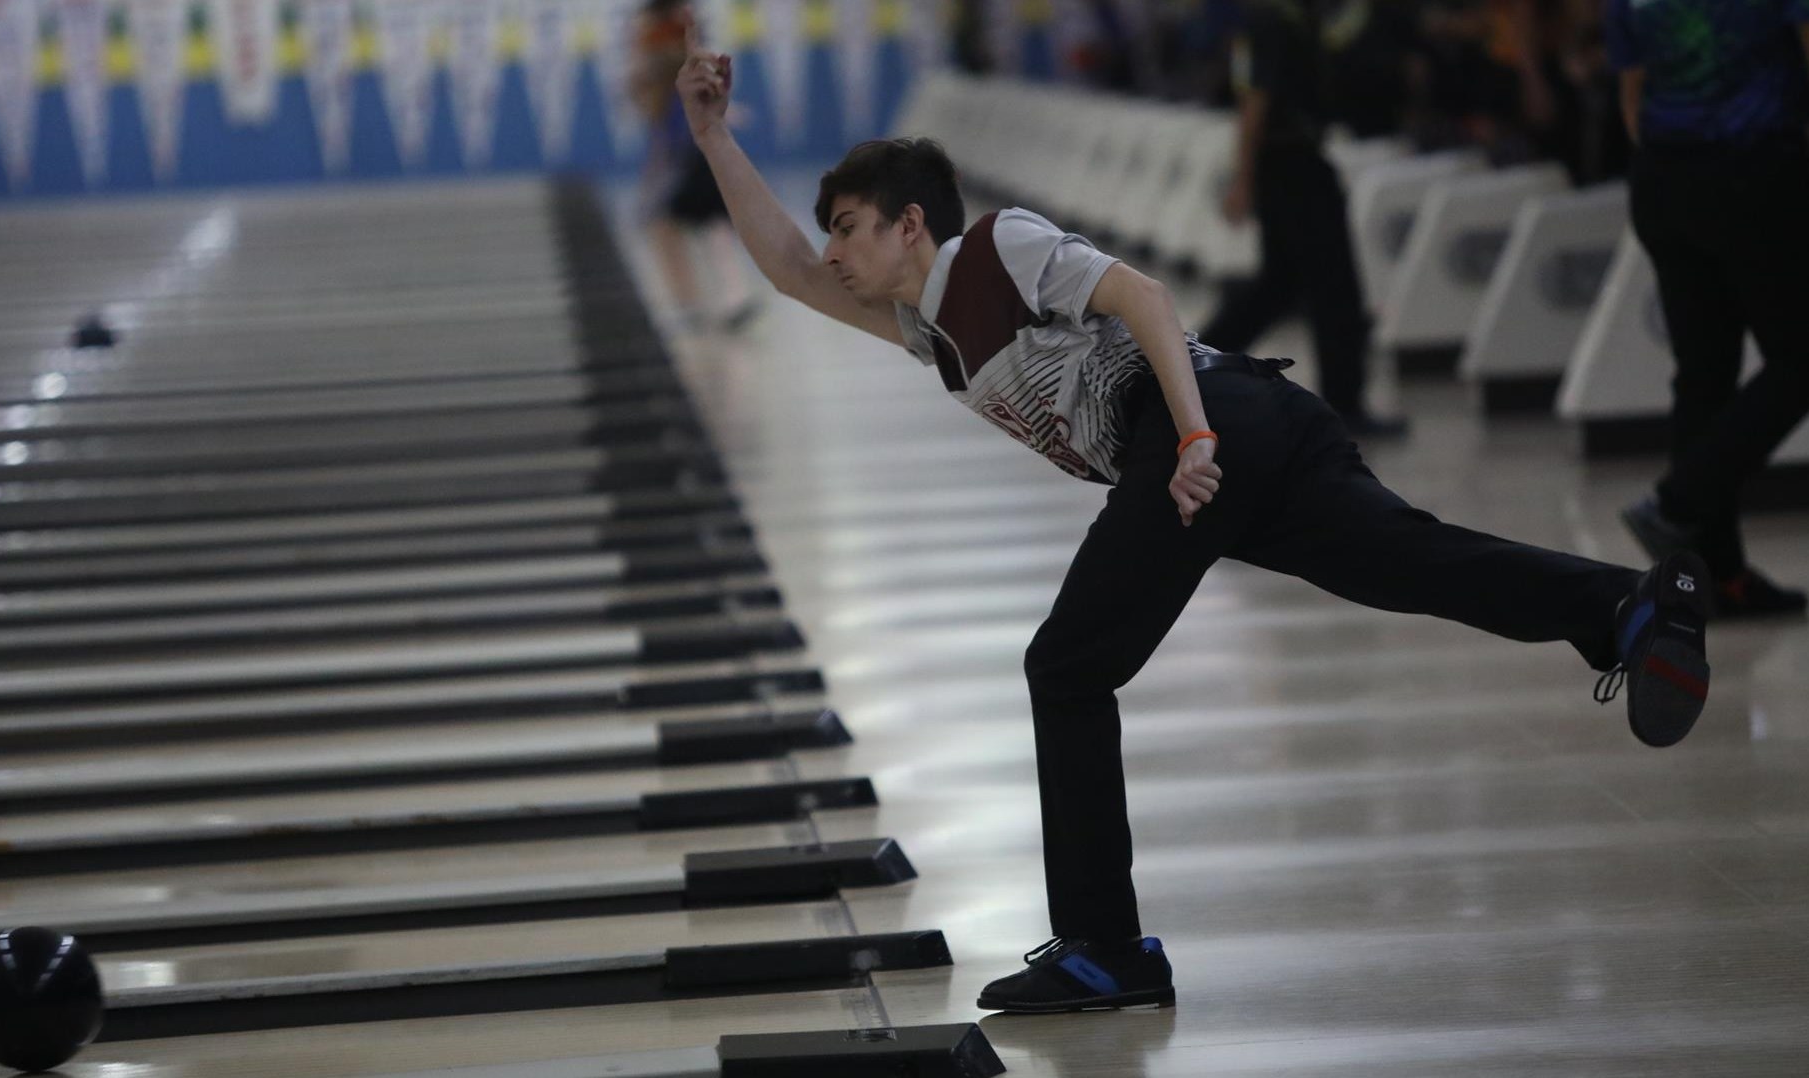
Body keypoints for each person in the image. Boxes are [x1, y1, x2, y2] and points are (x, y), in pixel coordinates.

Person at [674, 28, 1715, 1015]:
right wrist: (714, 134)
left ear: (910, 224)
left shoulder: (999, 244)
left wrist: (1193, 438)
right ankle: (1626, 607)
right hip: (1251, 422)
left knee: (1067, 666)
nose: (834, 251)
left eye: (849, 227)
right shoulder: (924, 327)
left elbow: (1148, 301)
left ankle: (1104, 950)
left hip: (1200, 424)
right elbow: (787, 269)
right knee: (1416, 562)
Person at [1609, 0, 1809, 618]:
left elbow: (1631, 86)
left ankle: (1712, 578)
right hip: (1753, 169)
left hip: (1661, 175)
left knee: (1703, 373)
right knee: (1806, 356)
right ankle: (1678, 503)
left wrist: (1668, 172)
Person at [1197, 0, 1405, 438]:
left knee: (1278, 284)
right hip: (1292, 165)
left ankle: (1196, 363)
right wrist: (1243, 180)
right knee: (1335, 290)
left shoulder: (1285, 18)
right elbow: (1256, 100)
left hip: (1291, 160)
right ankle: (1345, 404)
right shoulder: (1276, 21)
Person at [628, 0, 757, 333]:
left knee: (685, 223)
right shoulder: (664, 36)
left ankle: (704, 302)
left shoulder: (667, 39)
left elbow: (649, 89)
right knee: (705, 224)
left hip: (690, 150)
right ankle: (721, 299)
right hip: (687, 148)